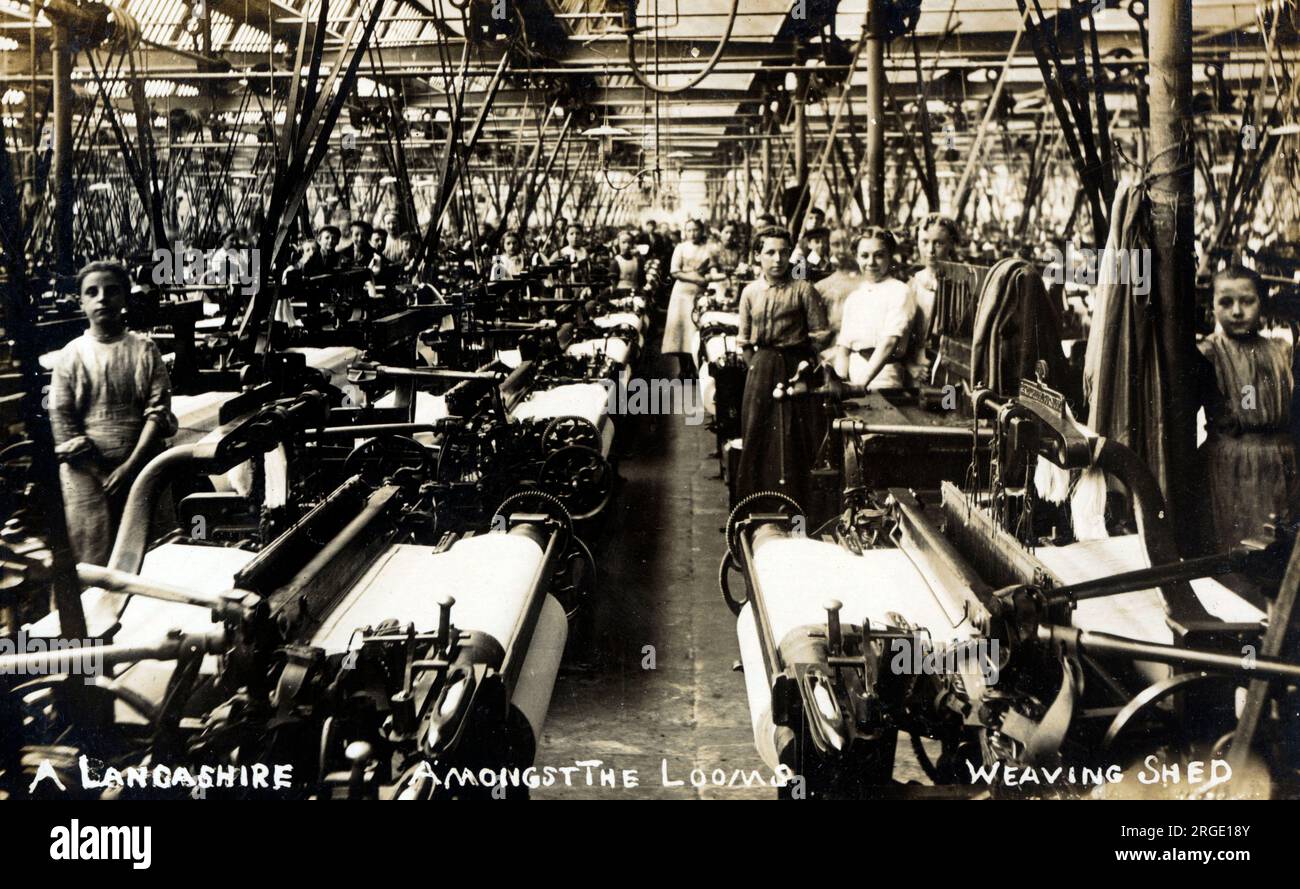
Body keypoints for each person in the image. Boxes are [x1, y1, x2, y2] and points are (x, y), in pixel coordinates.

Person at [50, 262, 178, 566]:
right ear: (81, 302)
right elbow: (63, 423)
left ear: (124, 298)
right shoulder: (71, 355)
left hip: (143, 465)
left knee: (153, 553)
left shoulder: (145, 350)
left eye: (111, 291)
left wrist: (130, 467)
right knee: (91, 555)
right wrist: (101, 473)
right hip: (85, 474)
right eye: (91, 292)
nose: (102, 298)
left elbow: (158, 413)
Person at [1196, 265, 1300, 555]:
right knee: (1241, 545)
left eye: (1247, 301)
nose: (1237, 311)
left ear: (1261, 303)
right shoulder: (1209, 353)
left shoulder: (1279, 350)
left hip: (1282, 458)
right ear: (1212, 306)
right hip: (1236, 463)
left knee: (1283, 545)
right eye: (1226, 303)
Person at [735, 226, 831, 509]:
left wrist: (803, 369)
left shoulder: (803, 289)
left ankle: (792, 507)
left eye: (784, 252)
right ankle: (752, 507)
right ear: (757, 256)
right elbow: (744, 339)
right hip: (760, 368)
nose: (778, 259)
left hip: (795, 368)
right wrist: (758, 369)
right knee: (756, 433)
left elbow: (819, 334)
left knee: (790, 436)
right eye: (770, 252)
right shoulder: (750, 292)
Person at [833, 229, 915, 390]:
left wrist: (860, 384)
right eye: (864, 256)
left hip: (882, 377)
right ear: (856, 257)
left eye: (879, 255)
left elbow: (889, 342)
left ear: (890, 257)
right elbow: (843, 347)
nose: (871, 262)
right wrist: (839, 382)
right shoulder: (855, 297)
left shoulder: (900, 291)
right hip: (853, 377)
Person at [906, 214, 960, 381]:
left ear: (950, 244)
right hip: (919, 369)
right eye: (925, 242)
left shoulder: (961, 285)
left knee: (949, 404)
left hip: (952, 371)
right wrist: (910, 367)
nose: (930, 250)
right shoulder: (912, 286)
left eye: (939, 243)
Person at [661, 218, 715, 377]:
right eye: (689, 230)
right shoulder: (681, 248)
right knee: (681, 330)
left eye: (696, 230)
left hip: (700, 293)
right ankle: (683, 368)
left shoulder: (708, 248)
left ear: (702, 231)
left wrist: (709, 277)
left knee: (695, 330)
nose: (692, 233)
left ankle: (695, 367)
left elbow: (713, 267)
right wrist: (695, 278)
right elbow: (674, 271)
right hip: (682, 293)